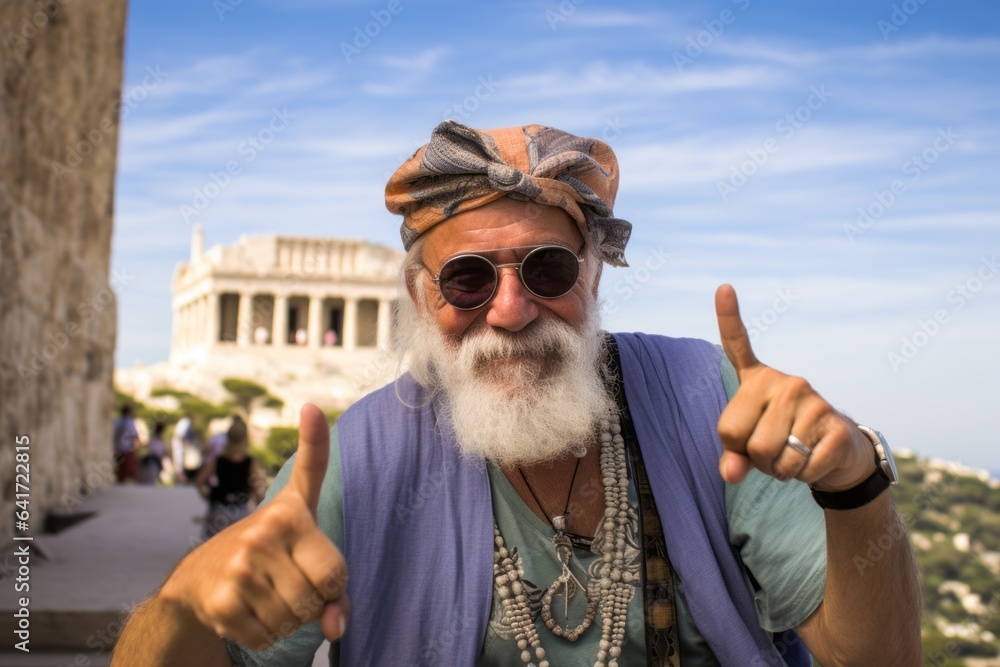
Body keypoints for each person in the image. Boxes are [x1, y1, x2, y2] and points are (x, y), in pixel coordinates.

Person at [114, 121, 921, 666]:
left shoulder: (700, 395)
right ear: (422, 297)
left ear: (594, 274)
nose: (510, 310)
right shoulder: (362, 461)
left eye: (547, 269)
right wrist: (184, 605)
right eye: (467, 278)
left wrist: (854, 487)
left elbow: (876, 656)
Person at [194, 418, 266, 539]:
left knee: (212, 548)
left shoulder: (219, 460)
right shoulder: (249, 461)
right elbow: (256, 488)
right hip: (240, 511)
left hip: (219, 509)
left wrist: (208, 496)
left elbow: (199, 481)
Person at [112, 405, 140, 483]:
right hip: (127, 449)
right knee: (131, 469)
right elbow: (135, 436)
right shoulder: (129, 422)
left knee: (120, 469)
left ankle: (121, 482)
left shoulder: (117, 421)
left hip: (117, 448)